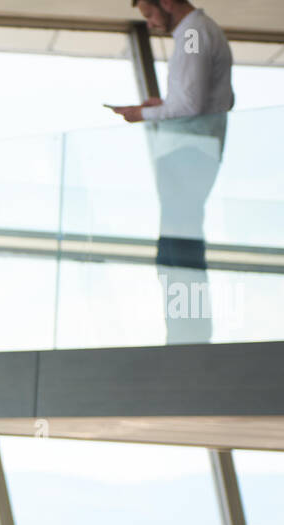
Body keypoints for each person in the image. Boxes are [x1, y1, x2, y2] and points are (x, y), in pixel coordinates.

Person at [111, 1, 234, 344]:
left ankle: (188, 333)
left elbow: (192, 105)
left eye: (150, 13)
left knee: (178, 247)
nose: (150, 24)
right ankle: (187, 330)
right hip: (195, 150)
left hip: (188, 153)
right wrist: (162, 105)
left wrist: (143, 114)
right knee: (177, 245)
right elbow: (211, 97)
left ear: (166, 2)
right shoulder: (199, 32)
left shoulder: (193, 34)